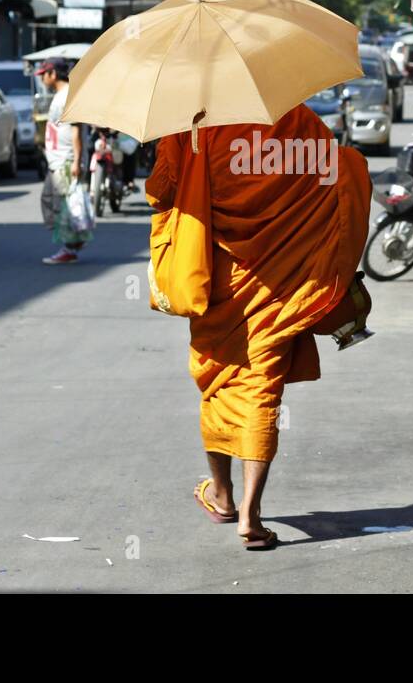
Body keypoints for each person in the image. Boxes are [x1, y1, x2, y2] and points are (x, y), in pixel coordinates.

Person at [146, 104, 371, 550]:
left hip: (220, 277)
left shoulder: (195, 128)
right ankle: (250, 510)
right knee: (262, 387)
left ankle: (222, 495)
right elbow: (341, 168)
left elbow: (160, 192)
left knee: (217, 384)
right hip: (282, 280)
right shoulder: (296, 118)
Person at [36, 57, 86, 265]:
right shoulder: (60, 95)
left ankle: (69, 247)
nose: (42, 79)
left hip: (65, 160)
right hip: (58, 160)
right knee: (51, 201)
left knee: (61, 205)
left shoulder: (67, 96)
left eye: (44, 74)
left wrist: (76, 161)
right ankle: (73, 240)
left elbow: (76, 131)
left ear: (53, 74)